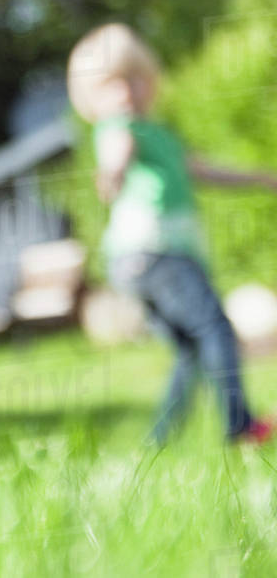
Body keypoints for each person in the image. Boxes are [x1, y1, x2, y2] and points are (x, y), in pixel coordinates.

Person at [67, 22, 276, 445]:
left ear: (150, 80)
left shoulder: (160, 135)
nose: (125, 92)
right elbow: (115, 152)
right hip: (155, 254)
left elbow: (202, 170)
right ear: (91, 99)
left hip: (139, 259)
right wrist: (112, 172)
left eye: (133, 79)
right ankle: (239, 427)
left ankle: (159, 439)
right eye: (111, 85)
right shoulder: (117, 130)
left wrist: (258, 177)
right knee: (216, 329)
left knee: (190, 348)